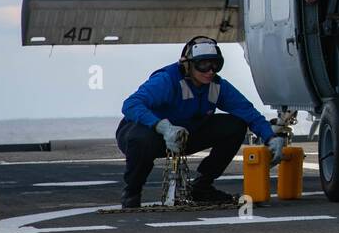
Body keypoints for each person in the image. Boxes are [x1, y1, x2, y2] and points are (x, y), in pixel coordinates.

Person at [116, 36, 285, 208]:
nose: (210, 71)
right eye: (203, 64)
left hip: (185, 135)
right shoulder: (167, 80)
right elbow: (131, 104)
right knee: (143, 139)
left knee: (235, 125)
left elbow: (248, 113)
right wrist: (163, 127)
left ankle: (202, 186)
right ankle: (132, 192)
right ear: (188, 64)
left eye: (215, 65)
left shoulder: (217, 86)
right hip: (148, 133)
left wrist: (271, 138)